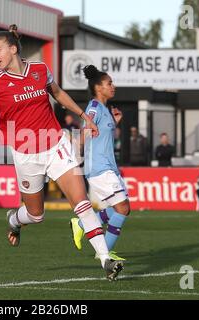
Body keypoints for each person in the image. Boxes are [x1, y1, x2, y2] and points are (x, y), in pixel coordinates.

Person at [0, 24, 123, 280]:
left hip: (56, 144)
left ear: (13, 49)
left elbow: (58, 94)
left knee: (82, 204)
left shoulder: (40, 70)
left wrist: (85, 116)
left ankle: (105, 260)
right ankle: (15, 220)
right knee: (36, 216)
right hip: (27, 155)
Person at [69, 65, 130, 262]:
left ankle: (81, 225)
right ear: (98, 87)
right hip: (99, 168)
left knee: (119, 207)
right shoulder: (94, 107)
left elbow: (99, 134)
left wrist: (115, 122)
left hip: (109, 168)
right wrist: (76, 151)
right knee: (123, 208)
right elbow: (86, 128)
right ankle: (105, 252)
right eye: (109, 83)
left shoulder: (104, 109)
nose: (113, 86)